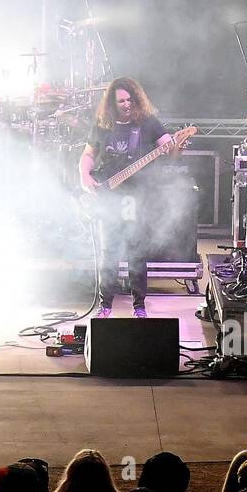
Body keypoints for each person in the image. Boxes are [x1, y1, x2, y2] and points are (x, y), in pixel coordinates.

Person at [78, 77, 178, 317]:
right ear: (112, 103)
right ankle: (105, 306)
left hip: (136, 196)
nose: (126, 104)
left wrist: (175, 146)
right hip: (108, 194)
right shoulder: (104, 124)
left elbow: (168, 148)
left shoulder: (148, 122)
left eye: (130, 99)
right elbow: (88, 155)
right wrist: (84, 174)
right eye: (121, 100)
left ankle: (139, 306)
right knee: (108, 251)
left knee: (136, 250)